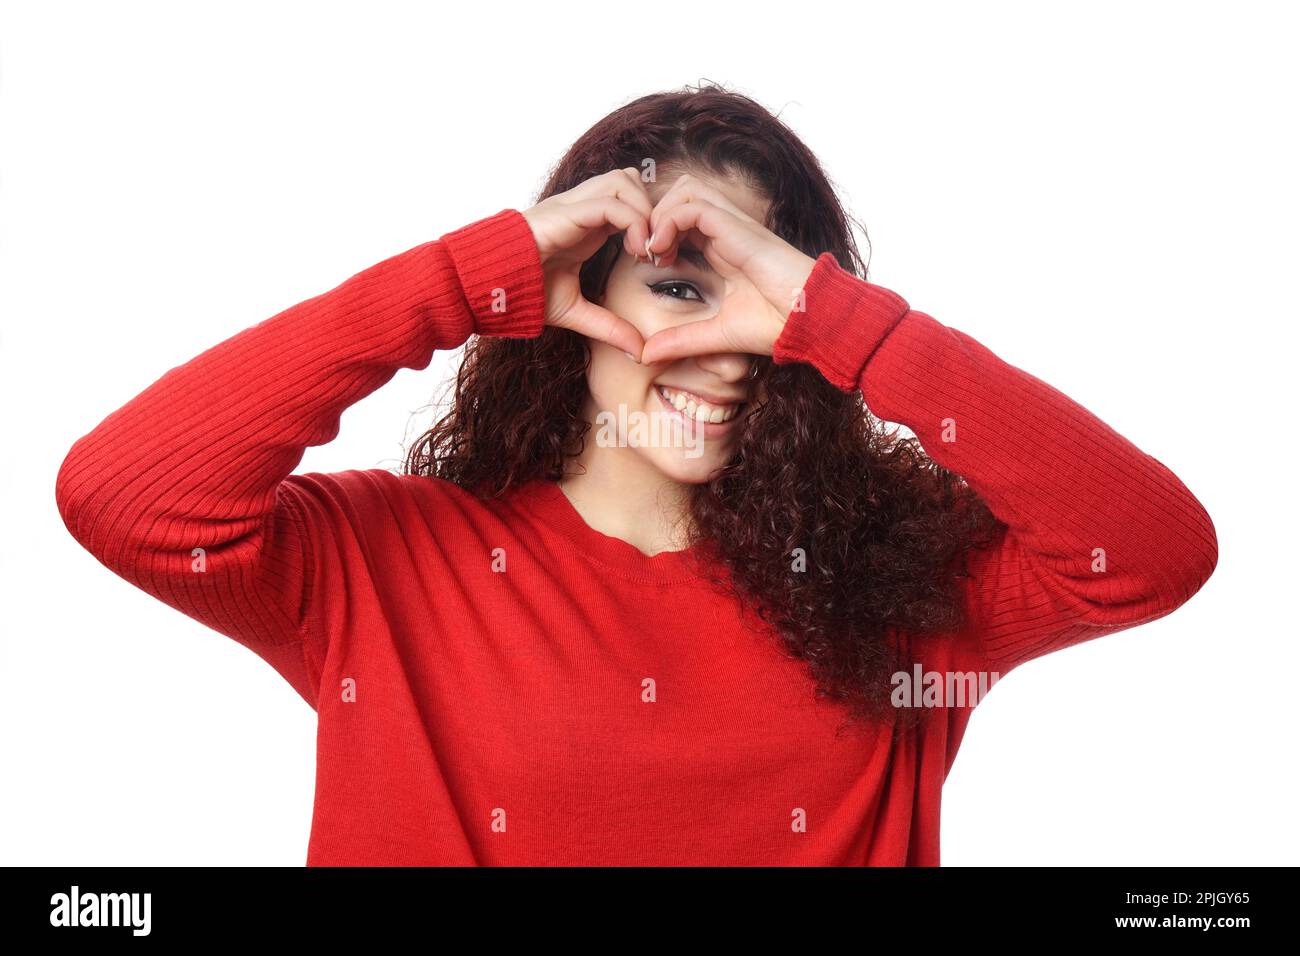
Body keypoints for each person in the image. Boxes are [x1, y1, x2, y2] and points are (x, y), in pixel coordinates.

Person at [54, 84, 1218, 865]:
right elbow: (127, 496)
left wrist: (844, 322)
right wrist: (470, 278)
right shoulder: (382, 559)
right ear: (577, 295)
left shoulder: (894, 580)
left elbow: (1154, 551)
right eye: (676, 287)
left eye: (765, 296)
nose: (726, 346)